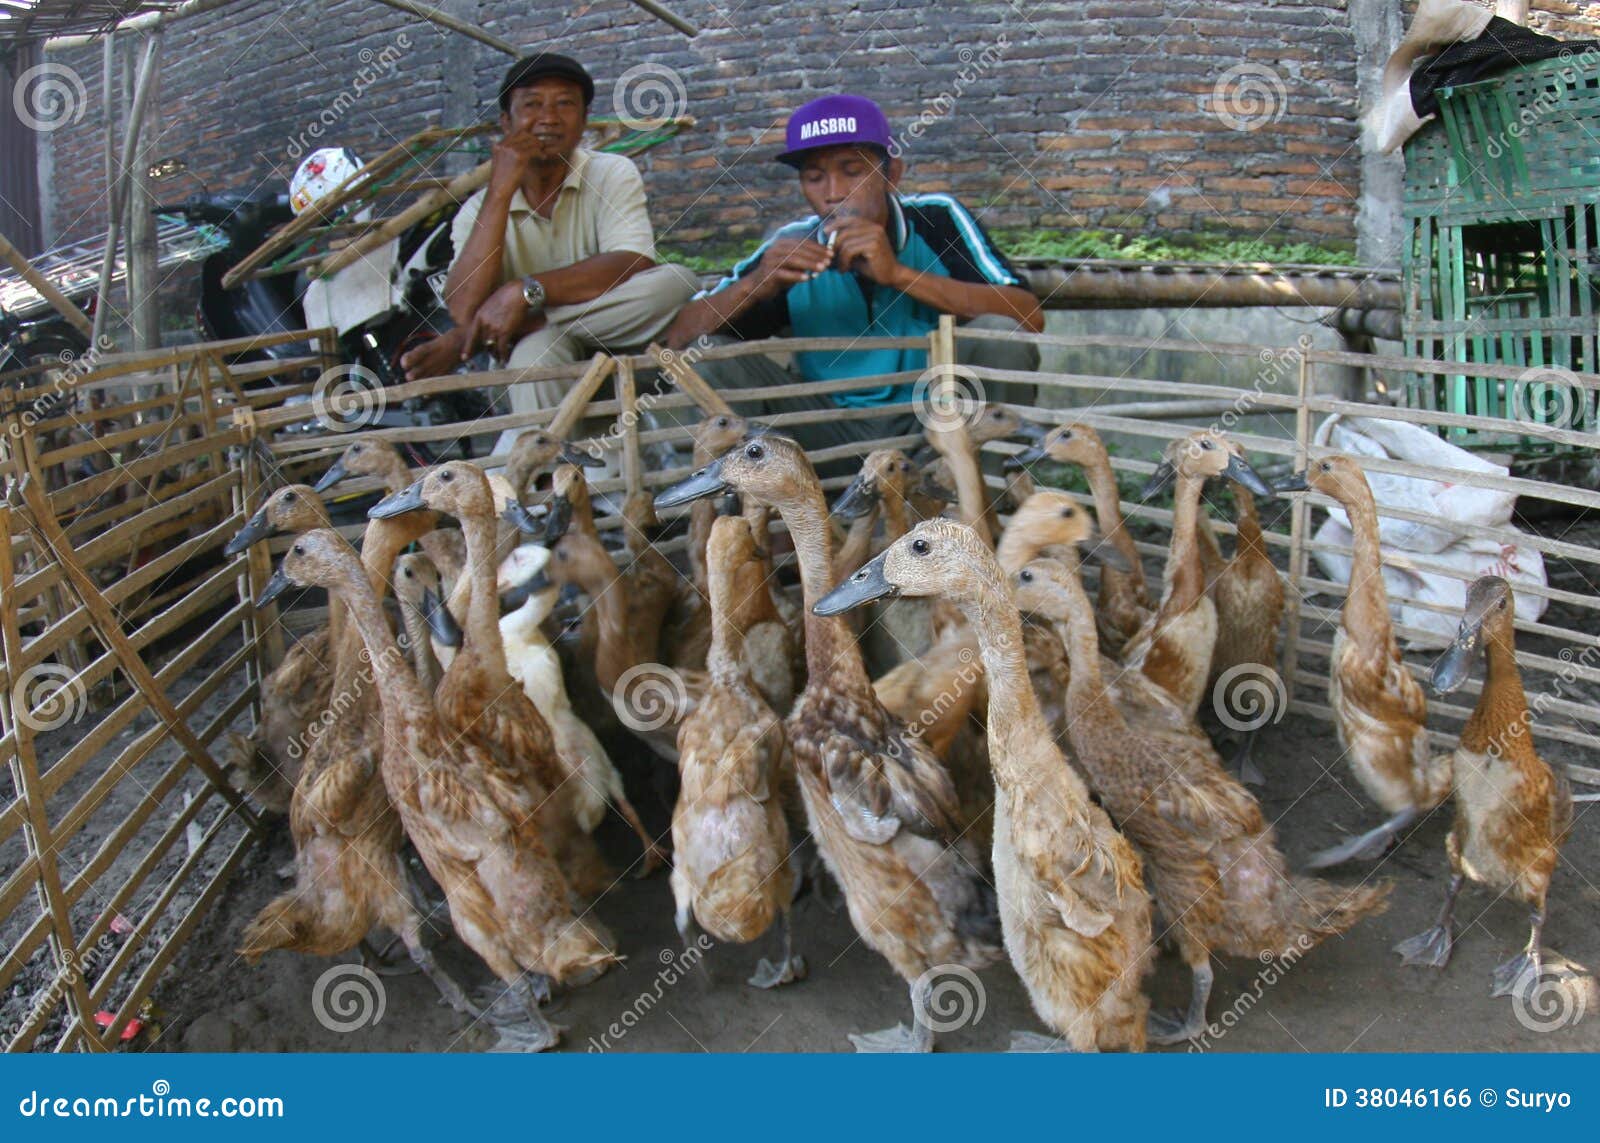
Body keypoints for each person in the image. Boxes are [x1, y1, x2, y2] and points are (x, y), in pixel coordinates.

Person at [663, 93, 1042, 454]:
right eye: (814, 178)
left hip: (934, 426)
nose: (833, 193)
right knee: (707, 355)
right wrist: (755, 286)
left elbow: (1028, 317)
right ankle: (787, 500)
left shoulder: (936, 218)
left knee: (999, 337)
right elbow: (677, 340)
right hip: (827, 434)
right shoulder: (792, 246)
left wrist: (897, 274)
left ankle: (975, 510)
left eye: (852, 172)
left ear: (891, 174)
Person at [401, 52, 699, 455]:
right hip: (538, 353)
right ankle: (551, 489)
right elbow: (463, 308)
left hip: (618, 337)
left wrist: (523, 297)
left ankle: (526, 330)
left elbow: (631, 263)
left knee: (675, 281)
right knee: (535, 353)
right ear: (506, 124)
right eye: (531, 104)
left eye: (564, 103)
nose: (549, 117)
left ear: (584, 119)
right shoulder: (478, 209)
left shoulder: (611, 172)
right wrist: (501, 189)